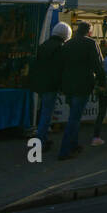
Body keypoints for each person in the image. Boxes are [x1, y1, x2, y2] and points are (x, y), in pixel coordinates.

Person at [57, 21, 107, 160]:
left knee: (74, 116)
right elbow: (98, 65)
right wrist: (102, 82)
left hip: (68, 84)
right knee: (74, 118)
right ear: (89, 31)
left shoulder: (67, 44)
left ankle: (73, 145)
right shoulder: (90, 43)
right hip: (83, 84)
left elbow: (61, 65)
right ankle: (65, 150)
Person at [29, 22, 71, 150]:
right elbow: (60, 68)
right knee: (47, 113)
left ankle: (43, 138)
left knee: (44, 112)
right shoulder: (60, 48)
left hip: (40, 83)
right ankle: (40, 141)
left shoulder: (44, 45)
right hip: (50, 84)